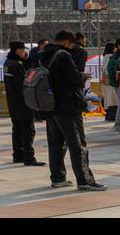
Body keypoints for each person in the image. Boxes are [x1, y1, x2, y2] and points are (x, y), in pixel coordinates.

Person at [40, 30, 105, 191]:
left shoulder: (41, 55)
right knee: (78, 144)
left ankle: (58, 177)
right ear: (68, 41)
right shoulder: (63, 56)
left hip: (50, 106)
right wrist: (82, 76)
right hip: (68, 106)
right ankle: (85, 180)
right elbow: (74, 79)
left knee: (56, 144)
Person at [3, 40, 43, 166]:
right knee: (28, 130)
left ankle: (18, 155)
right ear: (16, 50)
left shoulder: (8, 63)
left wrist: (25, 60)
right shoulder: (16, 65)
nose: (24, 51)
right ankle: (29, 157)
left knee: (17, 129)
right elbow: (23, 84)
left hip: (12, 101)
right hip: (23, 102)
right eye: (22, 49)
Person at [100, 43, 118, 122]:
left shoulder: (105, 56)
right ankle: (112, 116)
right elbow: (107, 69)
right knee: (113, 98)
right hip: (110, 80)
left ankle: (109, 115)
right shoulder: (110, 56)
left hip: (105, 81)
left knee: (108, 98)